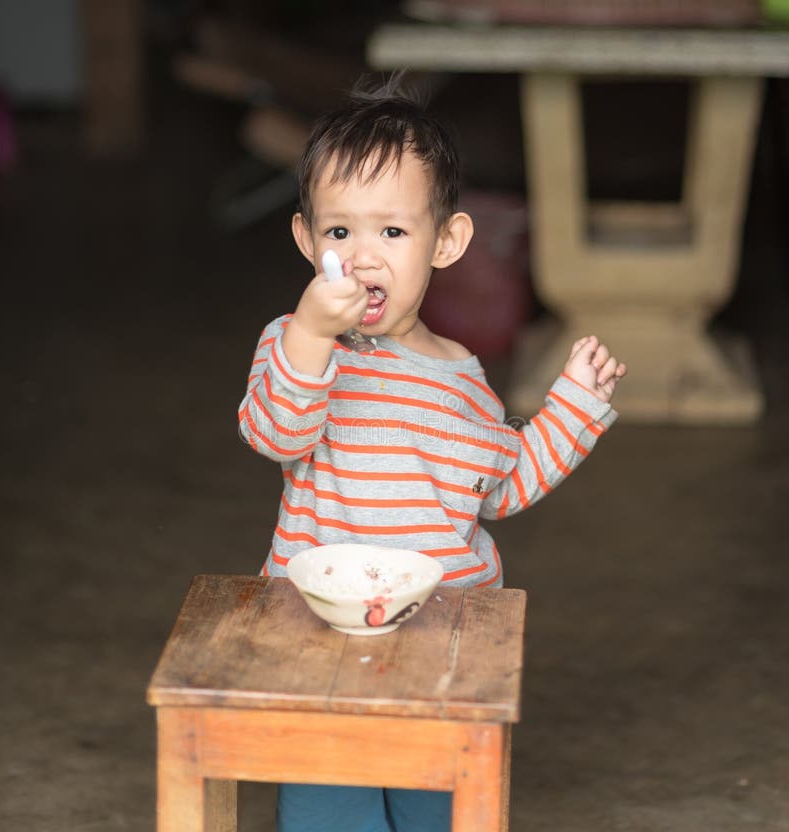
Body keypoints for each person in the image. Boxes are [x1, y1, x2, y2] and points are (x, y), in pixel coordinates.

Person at [237, 75, 626, 832]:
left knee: (435, 809)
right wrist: (311, 334)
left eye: (392, 232)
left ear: (445, 241)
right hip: (319, 638)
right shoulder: (297, 347)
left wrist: (573, 408)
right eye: (339, 233)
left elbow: (499, 488)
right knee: (328, 810)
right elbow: (276, 432)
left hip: (442, 641)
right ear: (306, 240)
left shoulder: (462, 377)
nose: (363, 257)